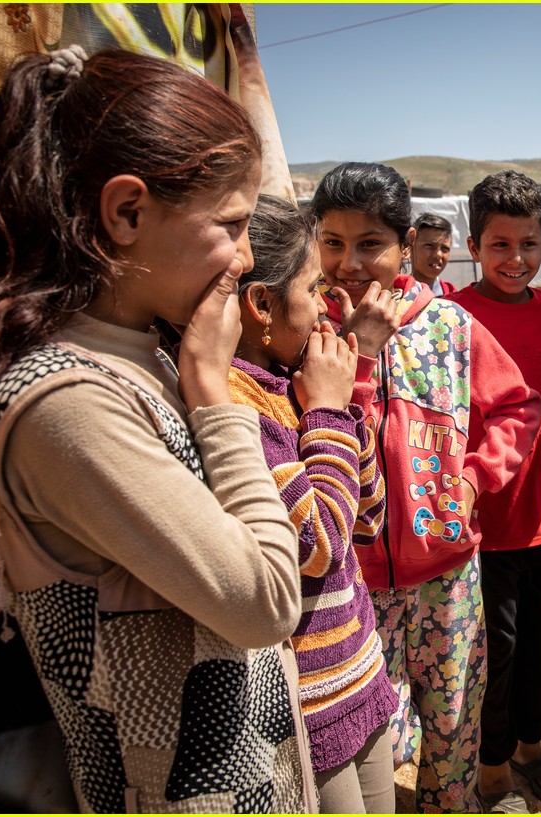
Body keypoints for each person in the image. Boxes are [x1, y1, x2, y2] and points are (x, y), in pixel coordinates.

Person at [0, 48, 317, 812]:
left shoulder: (148, 353)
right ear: (126, 213)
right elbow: (264, 600)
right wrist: (214, 395)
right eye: (231, 224)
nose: (248, 257)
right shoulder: (63, 404)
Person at [310, 162, 541, 812]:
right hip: (351, 582)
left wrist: (472, 479)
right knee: (371, 741)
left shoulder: (449, 326)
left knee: (453, 722)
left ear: (405, 243)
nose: (350, 263)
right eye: (332, 242)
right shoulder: (310, 332)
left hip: (447, 573)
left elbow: (518, 406)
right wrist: (359, 352)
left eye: (370, 243)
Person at [228, 195, 398, 812]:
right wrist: (327, 408)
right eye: (312, 289)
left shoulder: (292, 381)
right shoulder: (237, 407)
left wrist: (344, 396)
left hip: (355, 665)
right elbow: (320, 542)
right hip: (308, 696)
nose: (325, 306)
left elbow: (367, 514)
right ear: (262, 304)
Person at [443, 171, 541, 814]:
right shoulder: (451, 314)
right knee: (494, 651)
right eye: (499, 244)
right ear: (473, 245)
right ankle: (492, 770)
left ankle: (531, 746)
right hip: (481, 517)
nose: (515, 259)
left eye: (529, 244)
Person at [412, 212, 457, 296]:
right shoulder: (397, 294)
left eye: (444, 248)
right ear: (410, 247)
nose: (438, 255)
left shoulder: (453, 297)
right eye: (429, 246)